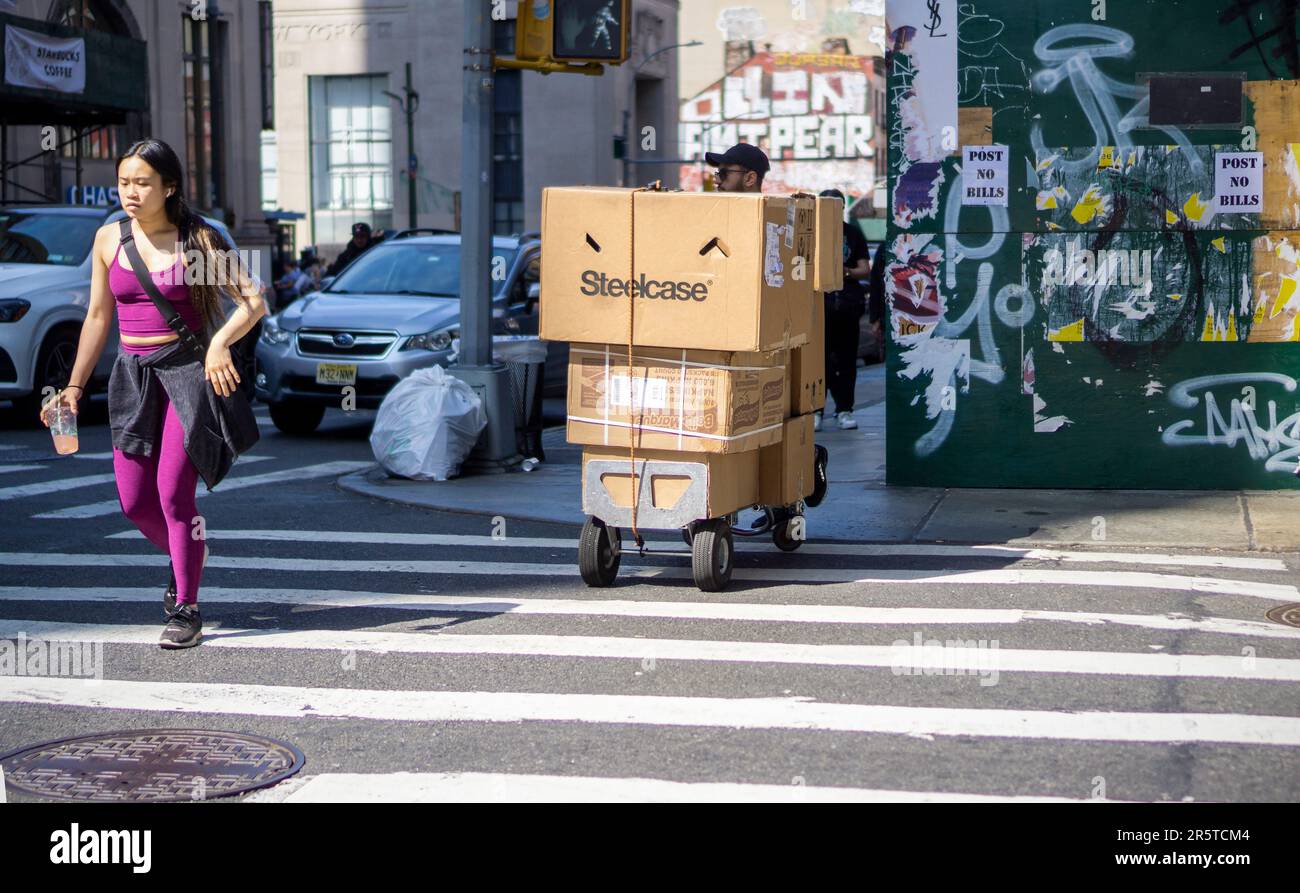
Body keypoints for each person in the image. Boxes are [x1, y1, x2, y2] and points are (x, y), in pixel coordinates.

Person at [39, 139, 267, 649]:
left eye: (143, 182)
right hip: (132, 376)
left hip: (187, 376)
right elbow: (98, 317)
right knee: (134, 502)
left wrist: (219, 346)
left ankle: (186, 606)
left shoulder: (197, 241)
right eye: (124, 182)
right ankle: (188, 552)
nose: (131, 192)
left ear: (169, 187)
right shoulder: (108, 241)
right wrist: (73, 388)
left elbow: (252, 301)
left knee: (172, 495)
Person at [815, 189, 871, 431]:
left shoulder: (852, 233)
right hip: (820, 305)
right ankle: (817, 409)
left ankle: (844, 409)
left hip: (847, 304)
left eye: (837, 207)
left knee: (847, 360)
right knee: (820, 360)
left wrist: (845, 272)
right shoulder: (813, 232)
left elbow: (864, 268)